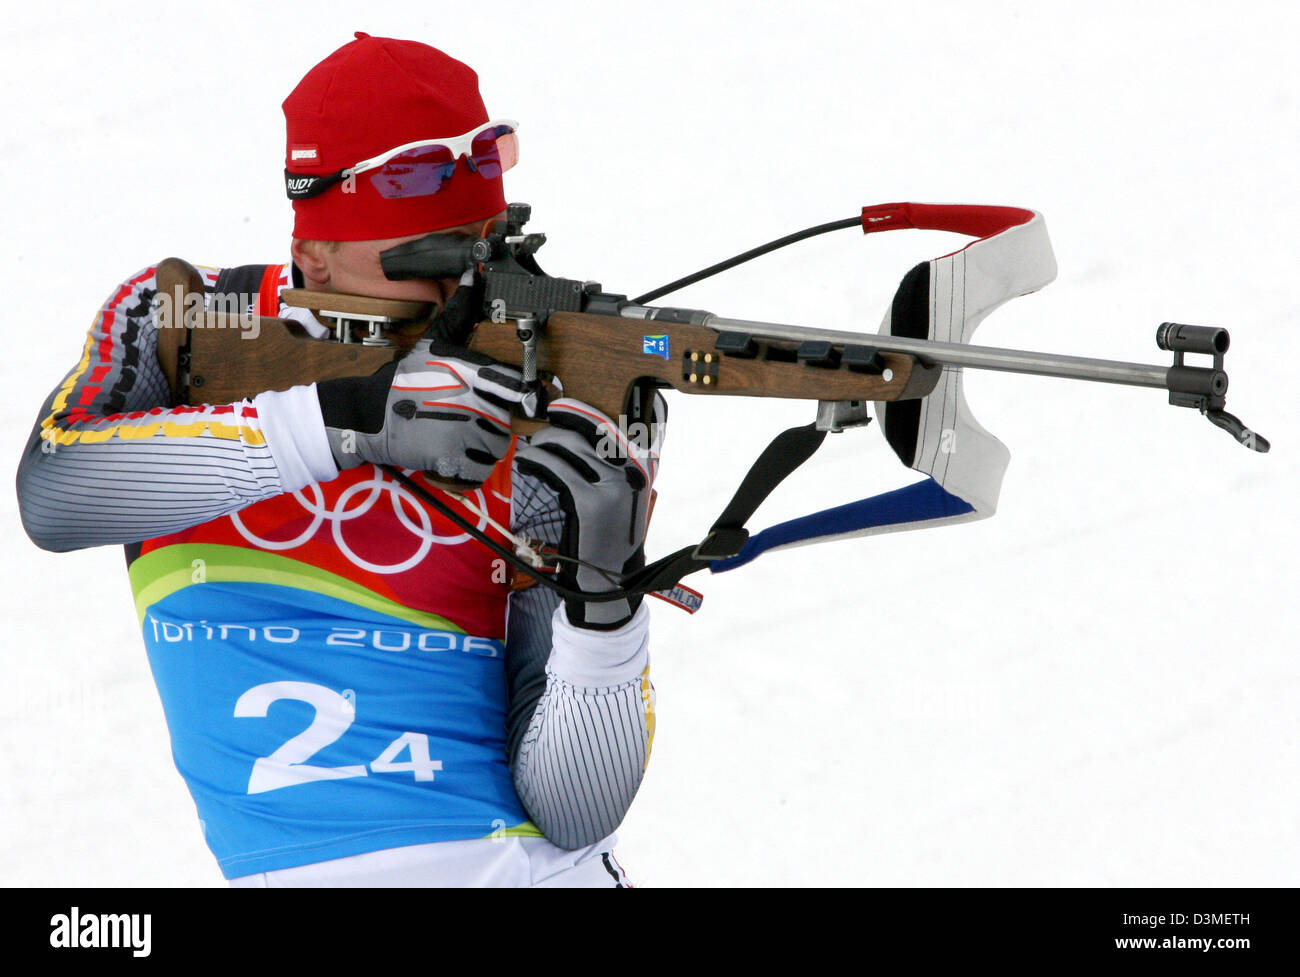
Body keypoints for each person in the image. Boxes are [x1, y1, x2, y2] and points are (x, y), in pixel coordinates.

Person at [16, 32, 660, 888]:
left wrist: (606, 606)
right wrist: (348, 423)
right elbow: (53, 495)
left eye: (486, 256)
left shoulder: (555, 380)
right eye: (424, 264)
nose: (457, 304)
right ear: (313, 254)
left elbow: (576, 811)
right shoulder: (185, 322)